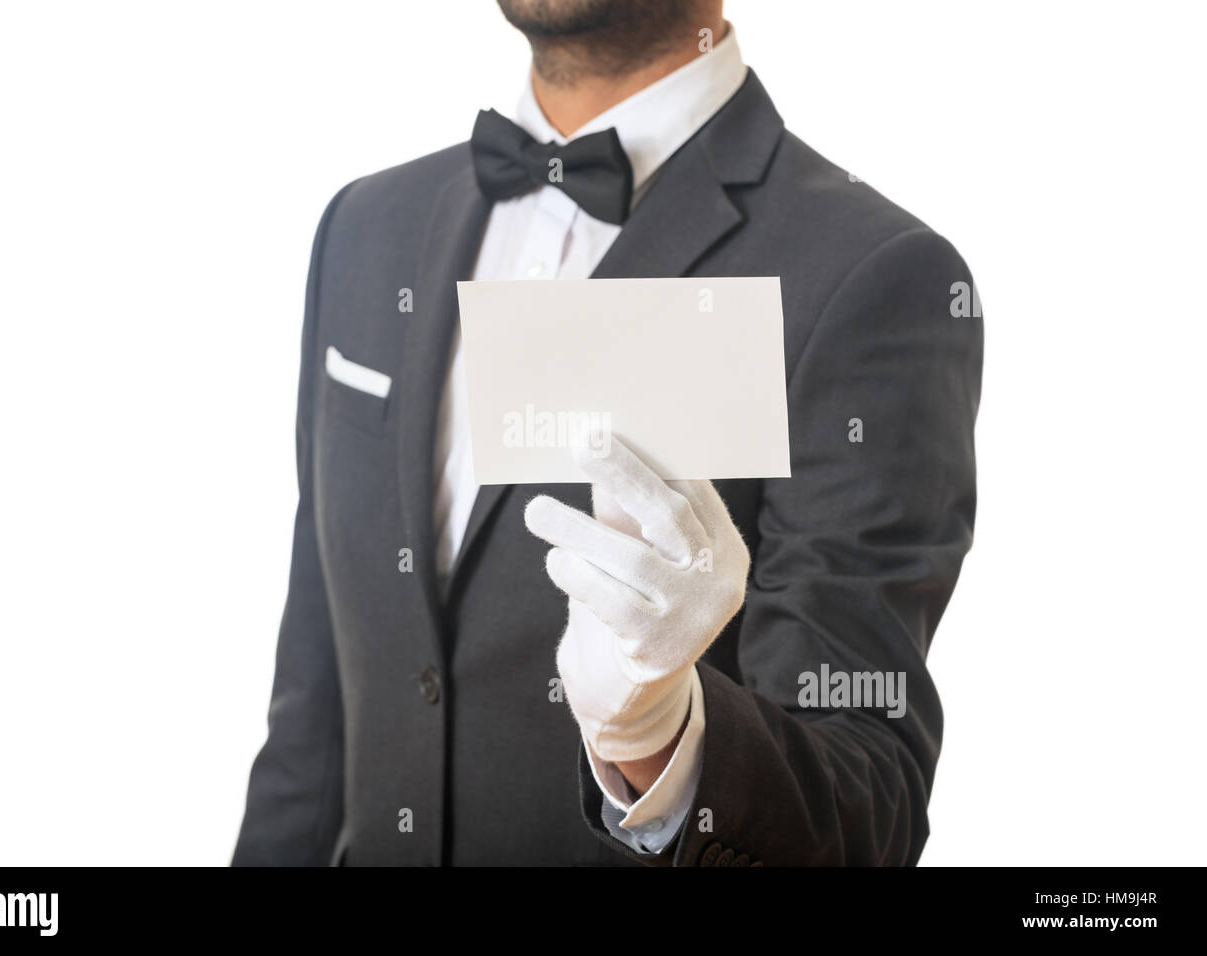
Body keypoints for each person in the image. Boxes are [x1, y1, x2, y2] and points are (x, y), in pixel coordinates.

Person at [232, 0, 984, 867]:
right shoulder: (366, 226)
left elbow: (869, 808)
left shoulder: (873, 276)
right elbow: (311, 718)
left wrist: (662, 733)